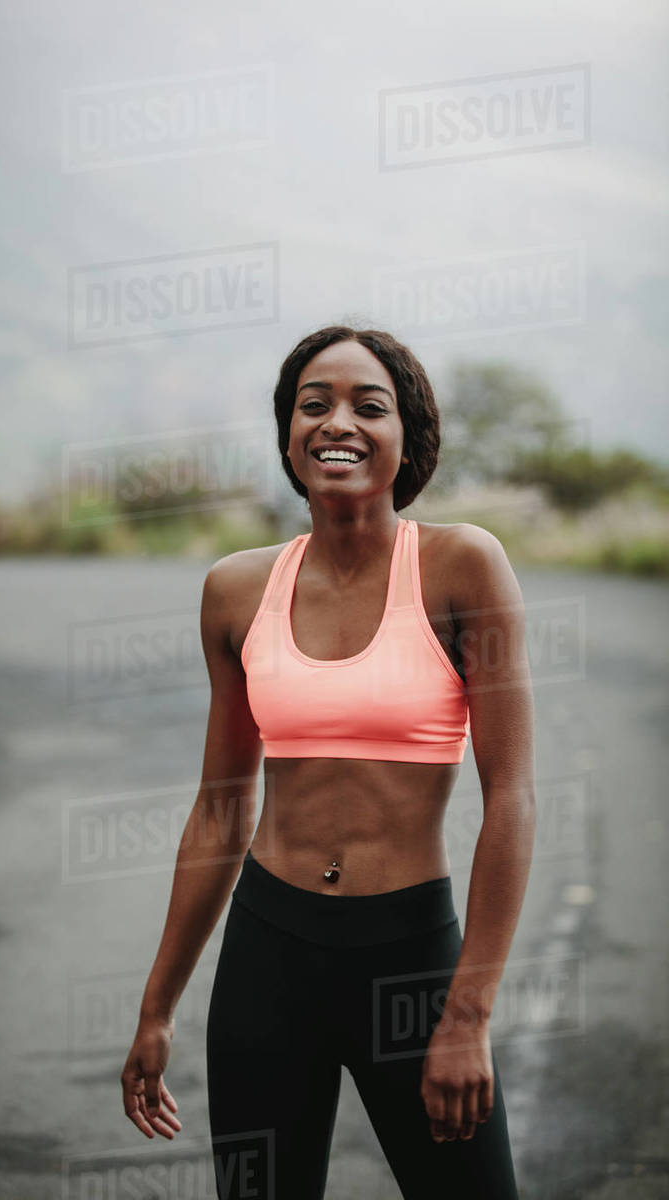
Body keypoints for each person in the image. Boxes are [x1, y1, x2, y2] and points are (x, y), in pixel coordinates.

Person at [121, 326, 535, 1199]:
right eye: (314, 405)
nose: (337, 422)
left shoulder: (463, 566)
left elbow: (512, 797)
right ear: (288, 438)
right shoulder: (236, 590)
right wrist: (157, 1007)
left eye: (367, 406)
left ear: (407, 441)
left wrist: (467, 1015)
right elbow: (220, 809)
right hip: (268, 956)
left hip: (410, 961)